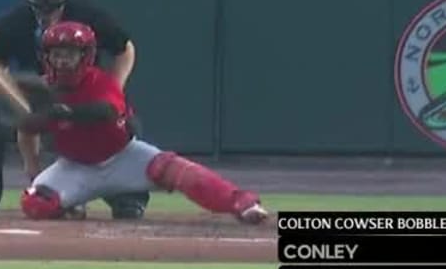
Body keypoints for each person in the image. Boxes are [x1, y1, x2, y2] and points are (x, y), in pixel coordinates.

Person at [14, 22, 270, 224]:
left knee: (177, 170)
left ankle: (242, 203)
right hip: (75, 167)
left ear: (85, 56)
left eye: (69, 55)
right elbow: (26, 130)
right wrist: (33, 144)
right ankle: (70, 205)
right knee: (35, 203)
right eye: (56, 55)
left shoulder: (101, 82)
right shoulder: (42, 89)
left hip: (125, 157)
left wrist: (61, 112)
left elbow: (106, 112)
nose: (62, 61)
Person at [0, 0, 139, 218]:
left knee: (120, 125)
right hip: (34, 94)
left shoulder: (88, 14)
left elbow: (125, 48)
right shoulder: (12, 23)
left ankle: (127, 198)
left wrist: (114, 89)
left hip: (84, 92)